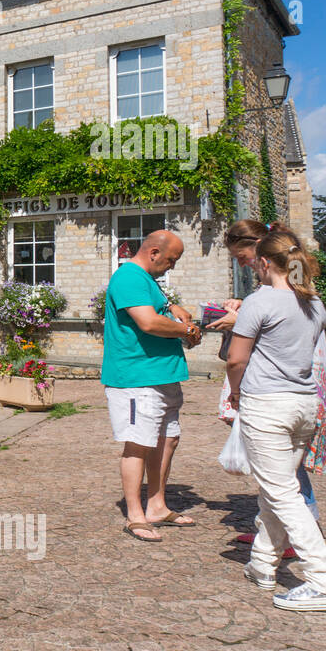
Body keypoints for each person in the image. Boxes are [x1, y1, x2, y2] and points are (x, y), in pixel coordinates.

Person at [225, 228, 326, 610]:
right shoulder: (313, 303)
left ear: (264, 262)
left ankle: (324, 579)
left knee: (281, 493)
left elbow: (235, 359)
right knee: (276, 488)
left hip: (267, 404)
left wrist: (235, 391)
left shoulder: (260, 301)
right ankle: (262, 563)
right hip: (304, 404)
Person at [208, 220, 326, 534]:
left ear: (260, 249)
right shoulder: (292, 279)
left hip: (282, 376)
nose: (243, 264)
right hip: (296, 374)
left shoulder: (274, 289)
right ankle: (279, 532)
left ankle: (301, 530)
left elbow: (278, 324)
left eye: (242, 257)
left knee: (283, 458)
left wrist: (242, 319)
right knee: (284, 458)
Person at [101, 229, 202, 542]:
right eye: (171, 259)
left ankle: (157, 505)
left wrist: (173, 307)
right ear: (154, 252)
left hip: (160, 375)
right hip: (137, 377)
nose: (172, 266)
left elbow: (157, 310)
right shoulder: (128, 276)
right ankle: (135, 515)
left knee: (166, 440)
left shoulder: (147, 280)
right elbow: (147, 322)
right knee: (138, 443)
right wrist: (185, 329)